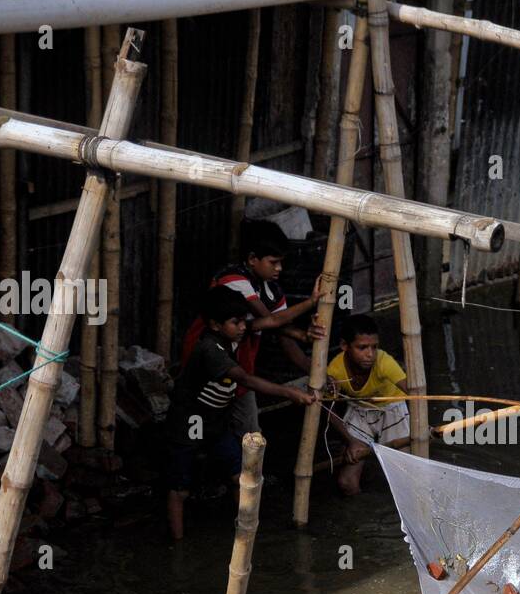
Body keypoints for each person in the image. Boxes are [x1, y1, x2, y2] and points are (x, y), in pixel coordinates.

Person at [167, 287, 315, 540]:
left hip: (216, 423)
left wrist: (311, 305)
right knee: (180, 490)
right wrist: (290, 392)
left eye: (243, 321)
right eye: (235, 323)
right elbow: (246, 379)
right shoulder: (210, 350)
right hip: (188, 423)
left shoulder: (233, 336)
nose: (243, 327)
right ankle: (177, 543)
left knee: (240, 476)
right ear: (215, 325)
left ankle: (245, 534)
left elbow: (271, 321)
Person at [179, 221, 326, 438]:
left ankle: (245, 470)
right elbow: (270, 320)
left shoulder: (273, 291)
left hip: (241, 369)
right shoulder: (233, 278)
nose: (279, 269)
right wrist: (308, 311)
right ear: (252, 259)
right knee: (198, 430)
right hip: (208, 367)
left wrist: (315, 372)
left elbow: (282, 333)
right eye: (273, 262)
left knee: (250, 436)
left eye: (281, 263)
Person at [325, 314, 410, 496]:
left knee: (403, 478)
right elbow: (327, 409)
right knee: (346, 483)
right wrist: (351, 440)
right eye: (362, 347)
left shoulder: (384, 361)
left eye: (374, 347)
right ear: (344, 346)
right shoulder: (335, 369)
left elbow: (415, 393)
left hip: (392, 410)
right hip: (360, 410)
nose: (370, 354)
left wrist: (419, 426)